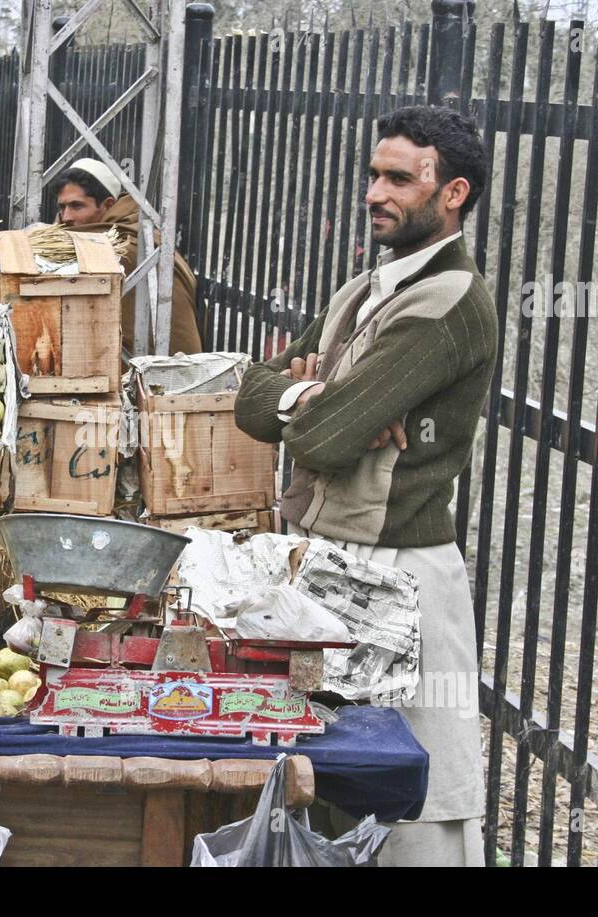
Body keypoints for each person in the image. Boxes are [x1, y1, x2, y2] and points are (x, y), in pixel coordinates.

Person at [234, 106, 495, 866]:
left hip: (399, 580)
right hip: (325, 565)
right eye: (372, 175)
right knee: (329, 794)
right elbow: (253, 397)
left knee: (417, 809)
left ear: (452, 193)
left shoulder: (450, 305)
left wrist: (321, 407)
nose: (374, 192)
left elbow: (325, 439)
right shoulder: (365, 287)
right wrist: (309, 396)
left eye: (397, 179)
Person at [54, 158, 202, 355]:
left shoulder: (129, 245)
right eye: (62, 207)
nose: (66, 217)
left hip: (163, 366)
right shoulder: (92, 233)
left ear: (108, 205)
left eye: (76, 206)